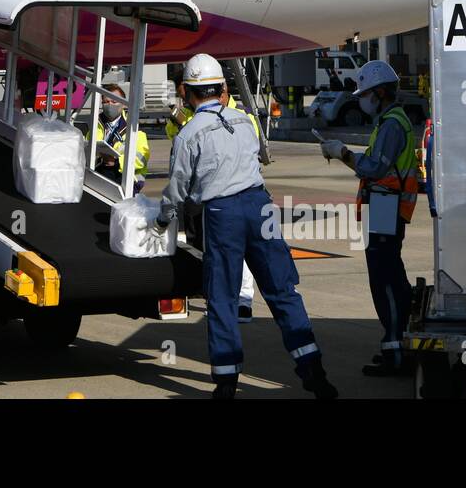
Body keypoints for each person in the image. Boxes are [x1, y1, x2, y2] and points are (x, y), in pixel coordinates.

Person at [149, 53, 337, 400]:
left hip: (223, 212)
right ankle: (313, 371)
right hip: (259, 205)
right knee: (283, 290)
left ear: (188, 94)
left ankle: (226, 381)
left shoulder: (189, 134)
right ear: (222, 88)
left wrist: (163, 219)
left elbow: (178, 187)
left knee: (222, 297)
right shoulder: (245, 121)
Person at [318, 60, 418, 377]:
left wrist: (343, 154)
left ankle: (396, 353)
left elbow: (374, 168)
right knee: (390, 274)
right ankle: (397, 346)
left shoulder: (391, 124)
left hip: (387, 206)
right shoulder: (390, 120)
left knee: (384, 277)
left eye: (366, 94)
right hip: (385, 206)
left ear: (380, 92)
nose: (362, 99)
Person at [167, 73, 258, 323]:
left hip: (232, 194)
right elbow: (177, 142)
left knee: (239, 252)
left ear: (224, 91)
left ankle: (243, 300)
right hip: (203, 195)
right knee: (207, 248)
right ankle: (217, 297)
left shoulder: (242, 117)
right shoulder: (192, 117)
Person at [88, 83, 150, 193]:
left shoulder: (134, 129)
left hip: (124, 180)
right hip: (98, 175)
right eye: (106, 102)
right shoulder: (95, 126)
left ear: (123, 104)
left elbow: (141, 159)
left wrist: (116, 161)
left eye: (114, 101)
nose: (110, 105)